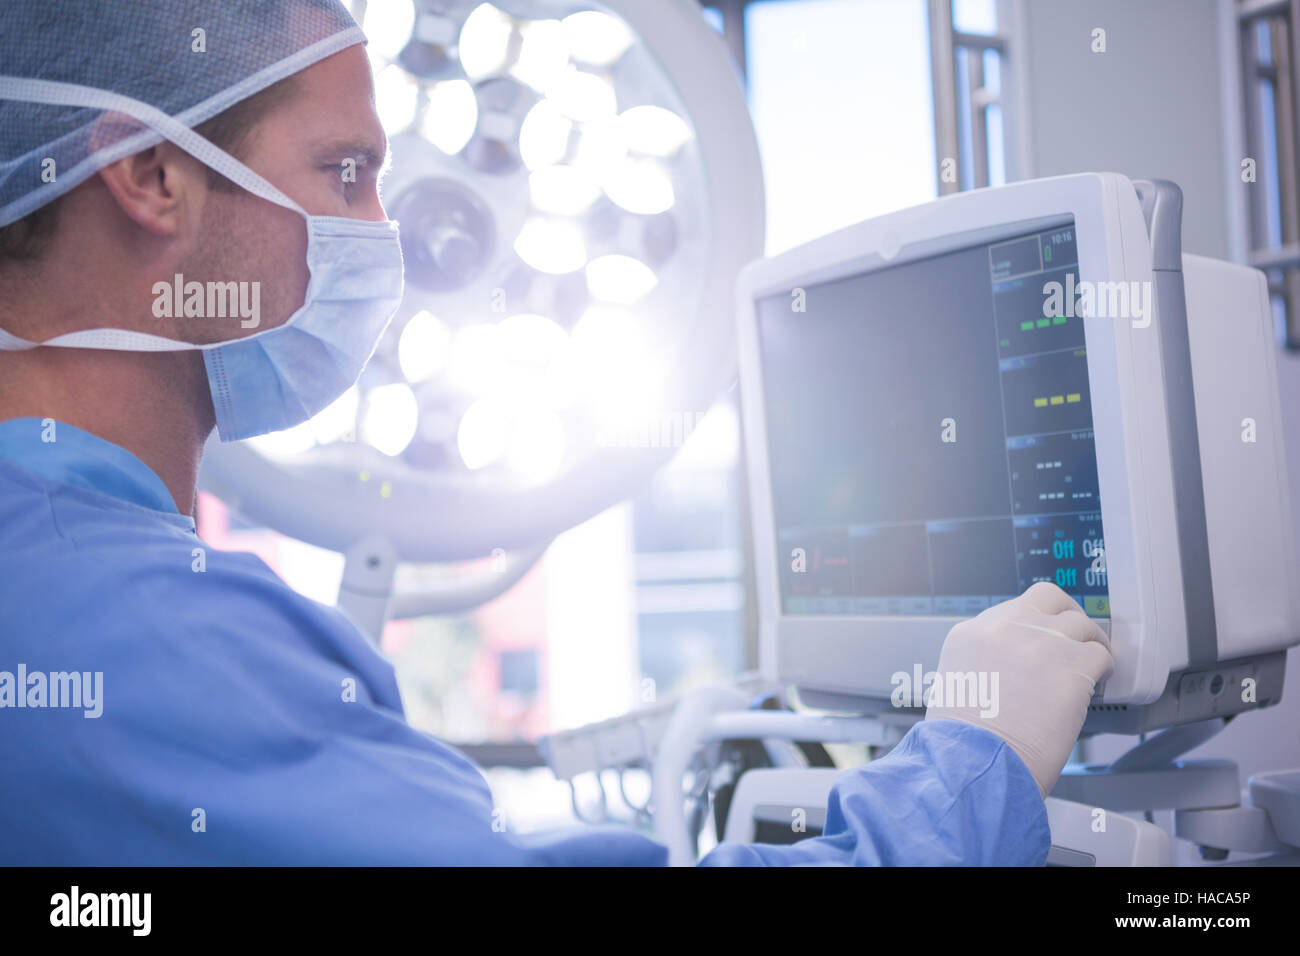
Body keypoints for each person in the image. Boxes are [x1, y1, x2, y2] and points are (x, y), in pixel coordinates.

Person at [0, 0, 1113, 865]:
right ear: (152, 176)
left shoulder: (57, 562)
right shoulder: (144, 637)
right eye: (345, 173)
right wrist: (978, 761)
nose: (392, 242)